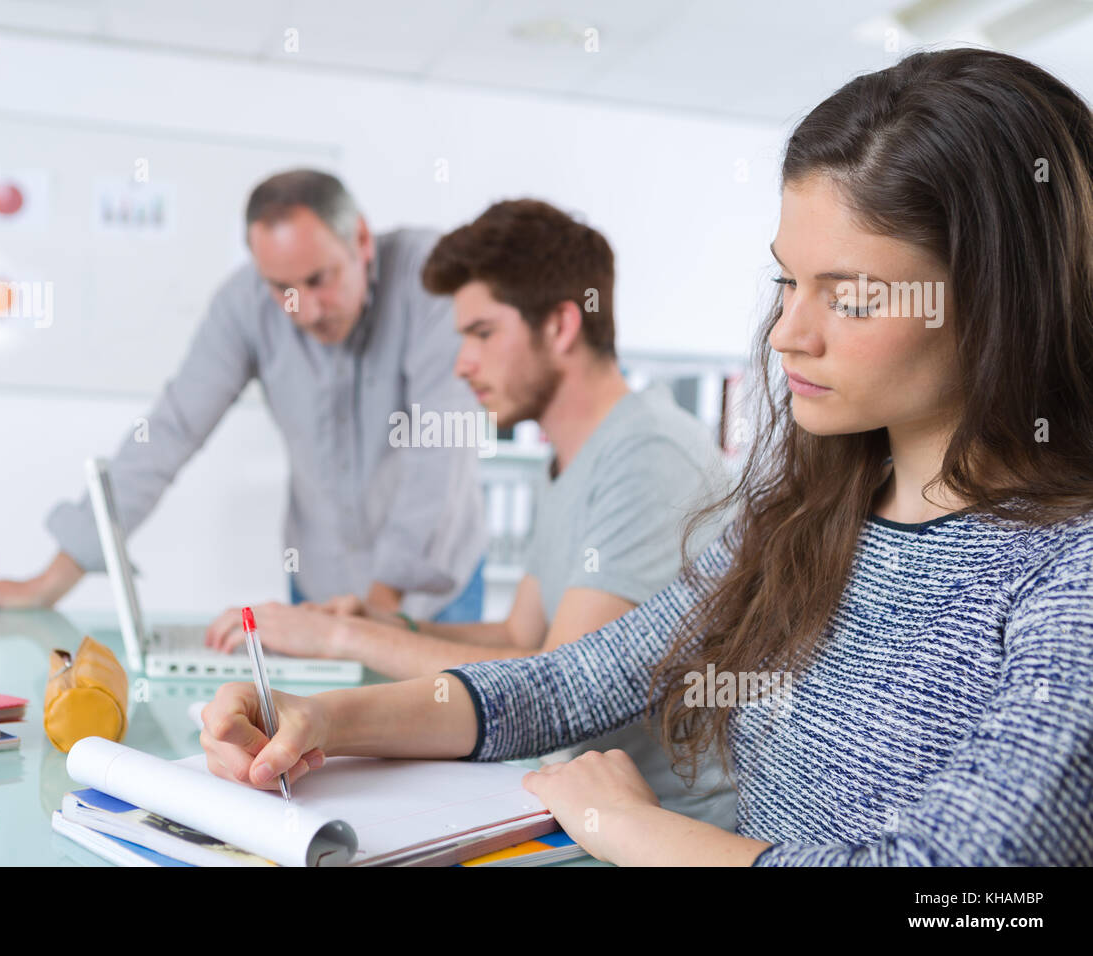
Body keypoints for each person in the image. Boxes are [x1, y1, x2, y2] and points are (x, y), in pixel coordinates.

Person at [197, 49, 1093, 866]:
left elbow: (970, 896)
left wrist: (636, 829)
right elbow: (561, 684)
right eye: (787, 282)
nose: (788, 333)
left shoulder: (1068, 571)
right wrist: (318, 720)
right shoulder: (811, 513)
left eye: (849, 296)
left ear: (999, 300)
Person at [204, 199, 738, 828]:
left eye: (482, 334)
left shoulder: (648, 454)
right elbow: (519, 638)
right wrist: (384, 619)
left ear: (562, 326)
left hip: (659, 824)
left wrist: (338, 638)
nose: (461, 362)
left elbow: (553, 685)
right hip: (570, 797)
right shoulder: (574, 457)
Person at [0, 169, 487, 624]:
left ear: (362, 241)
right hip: (322, 581)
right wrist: (51, 580)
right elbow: (171, 429)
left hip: (433, 583)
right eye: (282, 288)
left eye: (319, 279)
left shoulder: (431, 283)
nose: (305, 310)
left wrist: (381, 605)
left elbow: (441, 449)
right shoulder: (244, 304)